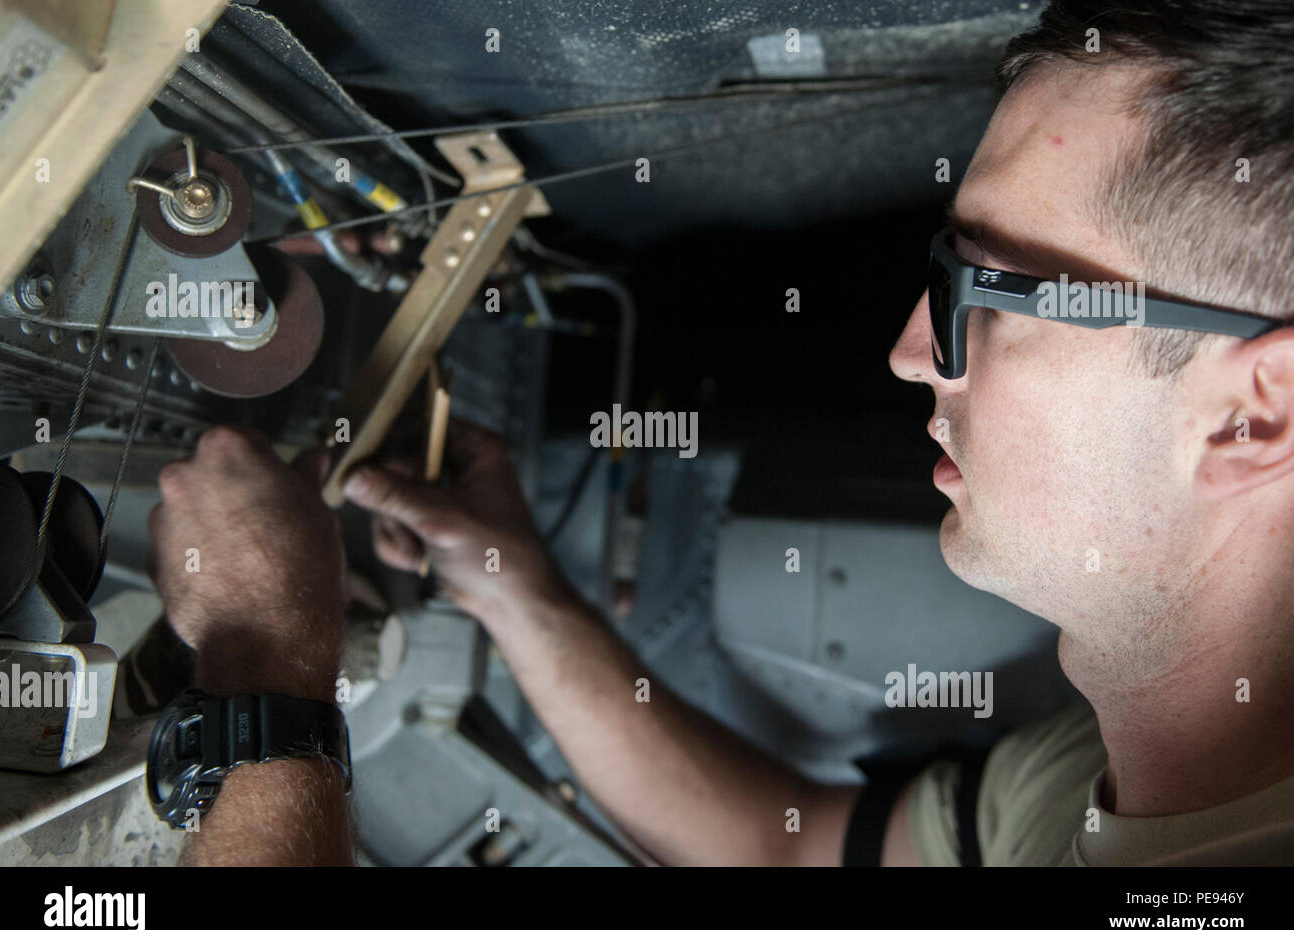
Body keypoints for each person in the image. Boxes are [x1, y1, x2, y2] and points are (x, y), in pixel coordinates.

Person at [147, 0, 1294, 865]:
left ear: (1256, 409)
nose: (909, 350)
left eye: (990, 292)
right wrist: (513, 583)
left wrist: (264, 671)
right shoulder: (1091, 789)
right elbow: (785, 846)